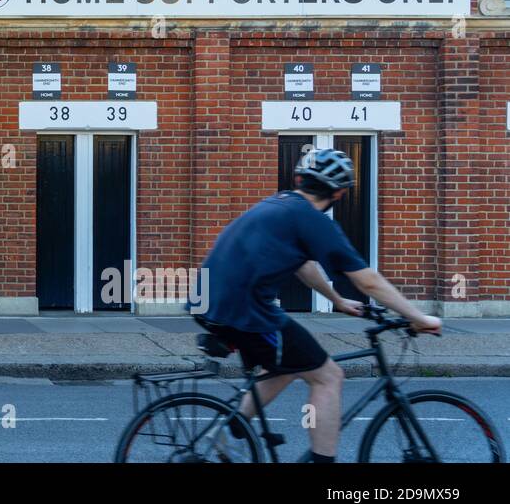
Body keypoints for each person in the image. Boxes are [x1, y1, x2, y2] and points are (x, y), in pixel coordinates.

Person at [187, 147, 442, 463]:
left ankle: (229, 432)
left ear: (298, 178)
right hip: (243, 310)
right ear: (339, 192)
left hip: (209, 301)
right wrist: (419, 317)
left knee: (288, 363)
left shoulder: (279, 205)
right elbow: (369, 281)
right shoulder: (312, 220)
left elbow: (303, 265)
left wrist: (336, 300)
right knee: (328, 375)